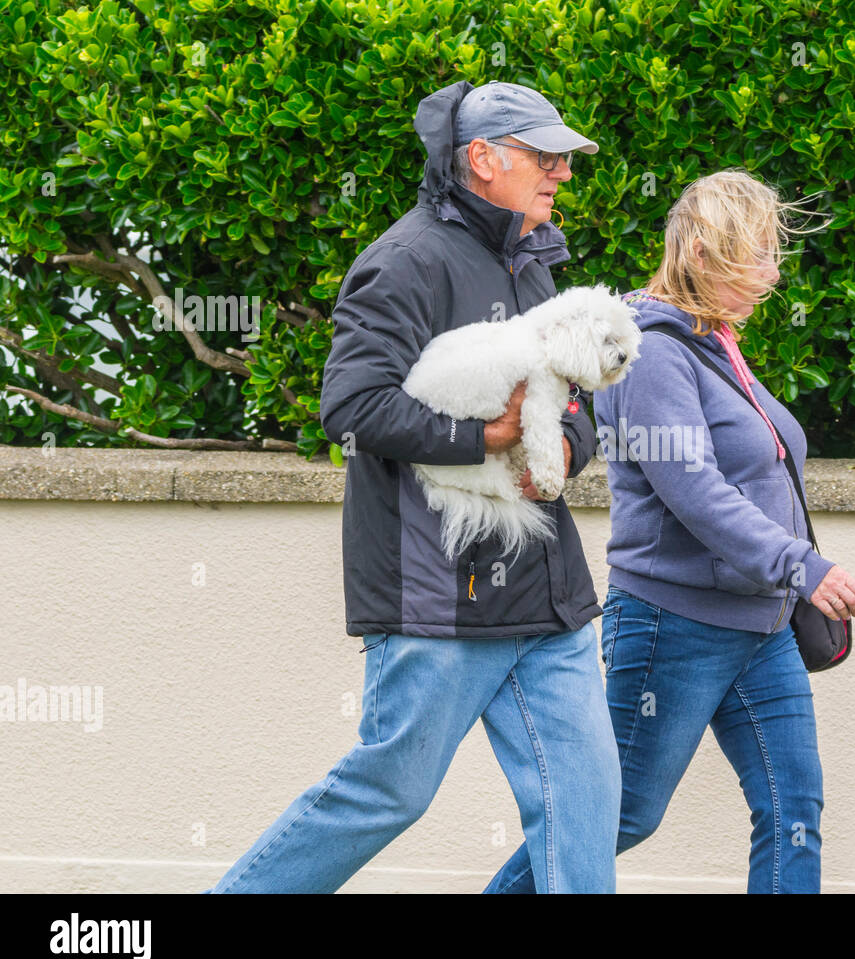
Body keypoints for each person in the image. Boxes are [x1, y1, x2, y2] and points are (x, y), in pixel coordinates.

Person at [204, 80, 621, 894]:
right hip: (439, 592)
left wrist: (569, 446)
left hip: (549, 594)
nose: (562, 174)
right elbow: (352, 408)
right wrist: (486, 438)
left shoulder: (537, 259)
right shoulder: (403, 261)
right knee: (388, 792)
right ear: (483, 159)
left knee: (587, 803)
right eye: (546, 156)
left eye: (564, 159)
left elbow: (581, 398)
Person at [485, 169, 855, 894]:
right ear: (698, 256)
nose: (770, 273)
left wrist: (787, 576)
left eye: (769, 254)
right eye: (752, 256)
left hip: (764, 623)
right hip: (674, 627)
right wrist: (803, 565)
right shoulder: (650, 351)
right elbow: (695, 491)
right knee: (616, 813)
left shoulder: (715, 343)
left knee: (794, 812)